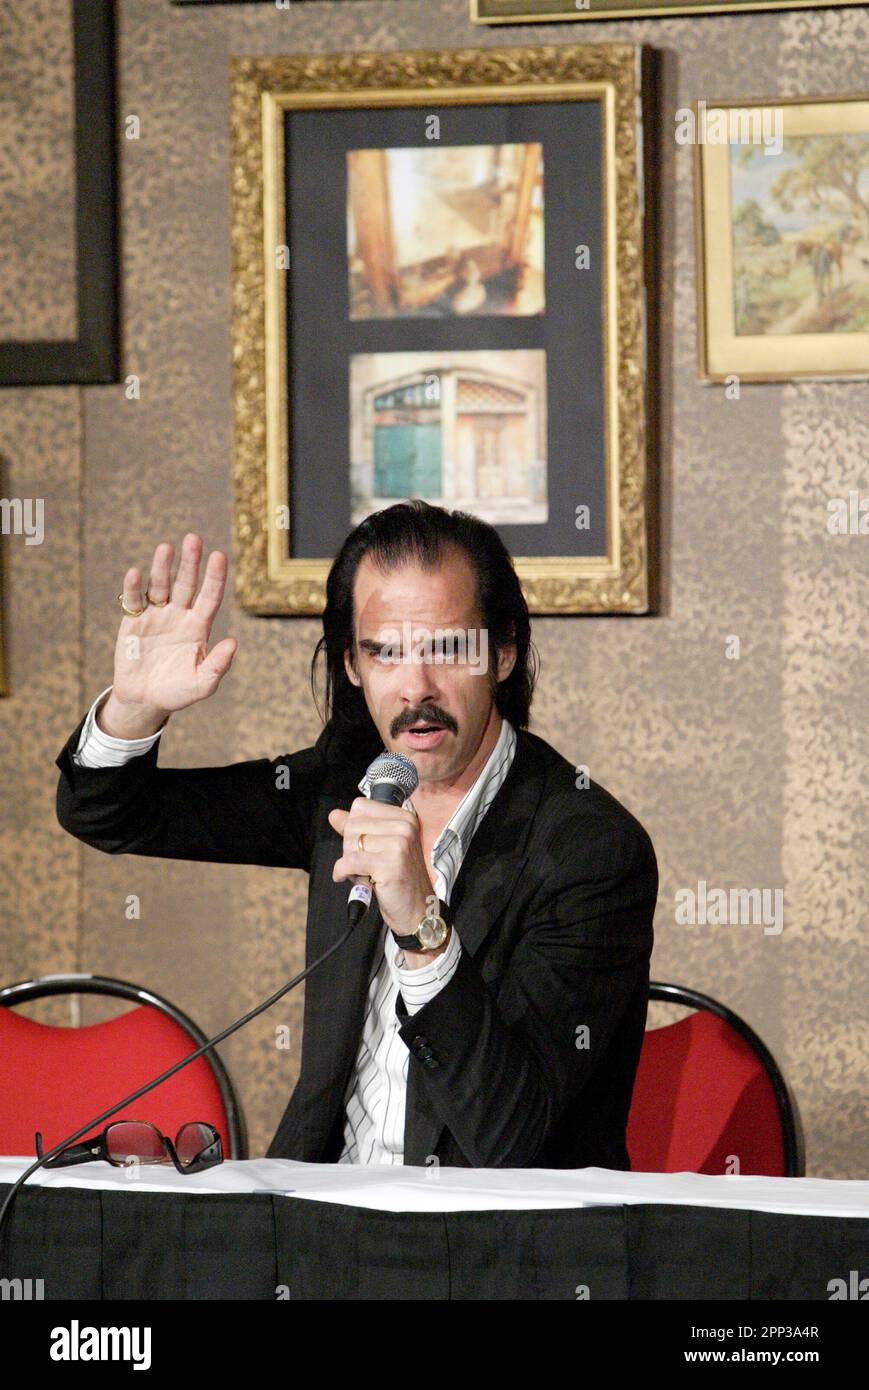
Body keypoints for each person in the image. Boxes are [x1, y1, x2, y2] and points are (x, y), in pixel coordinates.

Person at [55, 500, 657, 1170]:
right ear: (351, 664)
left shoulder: (588, 848)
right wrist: (135, 710)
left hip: (496, 1249)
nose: (414, 688)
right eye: (385, 653)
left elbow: (507, 1135)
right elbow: (110, 814)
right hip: (325, 1224)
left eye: (447, 648)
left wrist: (421, 926)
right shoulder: (343, 789)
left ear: (504, 653)